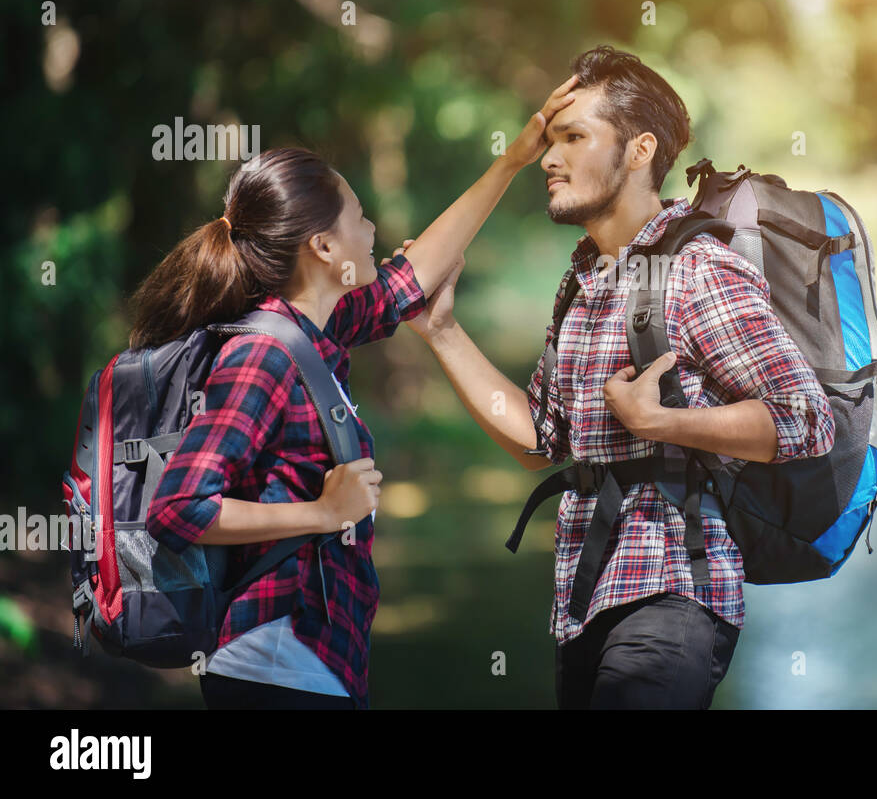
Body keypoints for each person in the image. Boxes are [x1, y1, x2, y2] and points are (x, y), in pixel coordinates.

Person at [405, 46, 834, 708]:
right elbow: (541, 441)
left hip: (674, 595)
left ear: (639, 151)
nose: (549, 159)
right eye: (550, 140)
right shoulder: (581, 279)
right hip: (583, 602)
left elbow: (808, 419)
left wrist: (662, 422)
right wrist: (442, 332)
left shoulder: (698, 268)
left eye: (573, 138)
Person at [141, 75, 577, 709]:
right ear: (323, 247)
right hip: (273, 662)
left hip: (313, 657)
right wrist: (321, 514)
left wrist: (512, 161)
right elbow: (178, 508)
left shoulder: (315, 330)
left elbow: (412, 279)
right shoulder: (263, 354)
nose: (373, 229)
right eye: (359, 216)